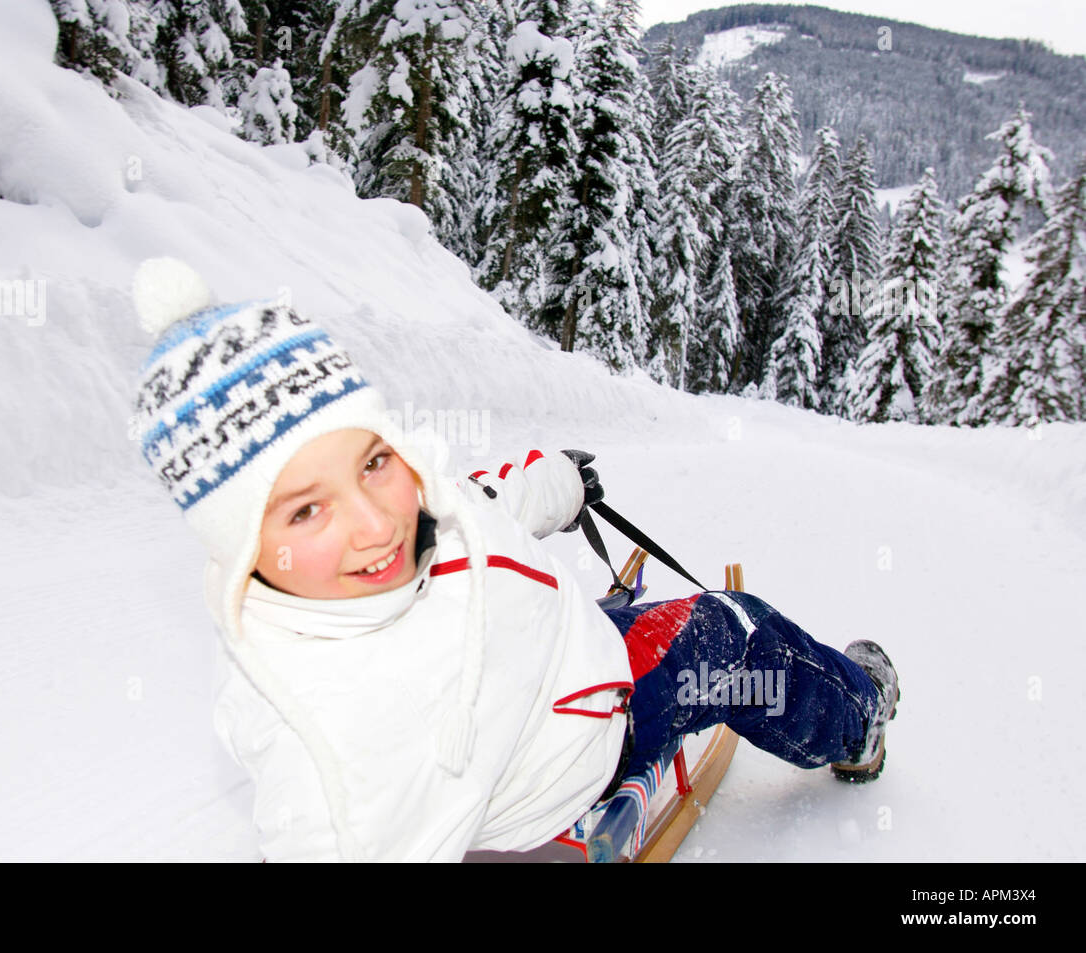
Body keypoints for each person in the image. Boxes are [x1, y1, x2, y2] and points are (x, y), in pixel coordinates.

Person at [130, 258, 901, 862]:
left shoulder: (418, 512)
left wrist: (558, 484)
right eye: (306, 509)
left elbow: (478, 502)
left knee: (580, 608)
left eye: (372, 462)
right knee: (732, 635)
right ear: (241, 553)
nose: (377, 521)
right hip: (588, 737)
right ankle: (857, 716)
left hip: (542, 677)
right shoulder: (325, 732)